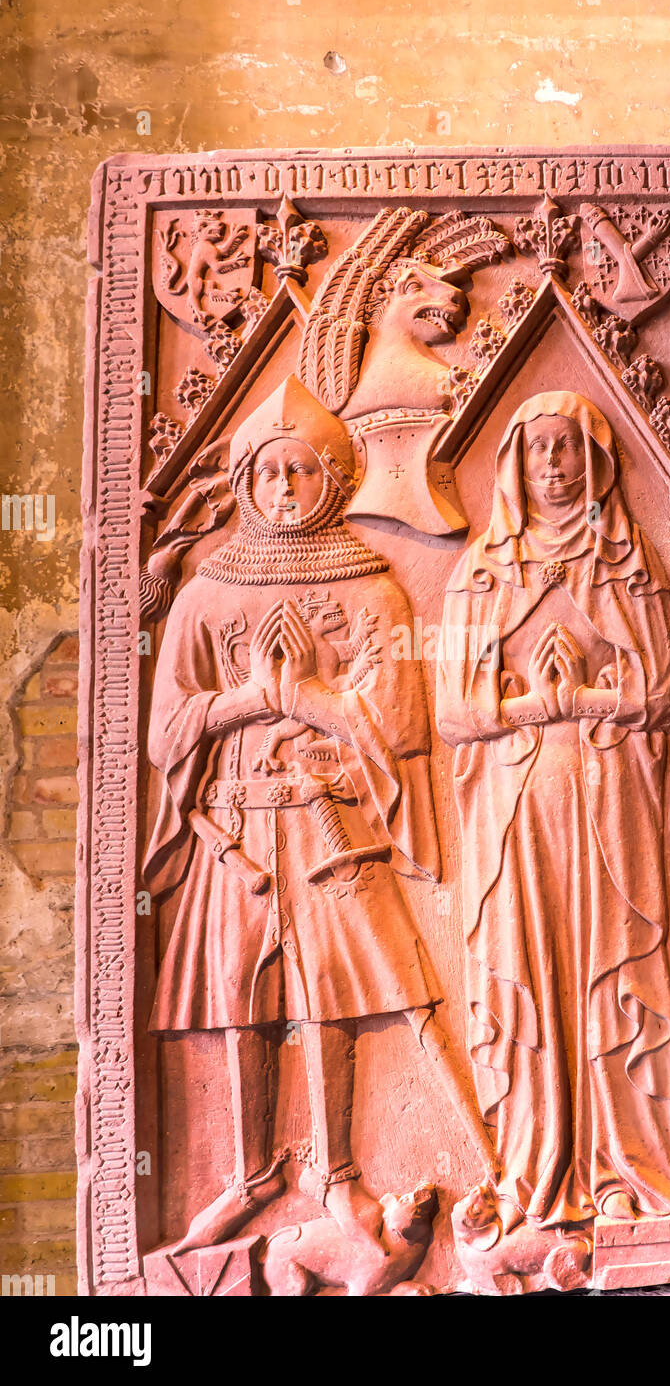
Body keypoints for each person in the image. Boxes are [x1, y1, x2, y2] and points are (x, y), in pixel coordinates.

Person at [144, 375, 493, 1257]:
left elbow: (403, 723)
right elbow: (164, 733)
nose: (284, 490)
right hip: (234, 834)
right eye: (268, 475)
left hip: (326, 826)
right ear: (244, 483)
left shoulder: (370, 587)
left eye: (302, 473)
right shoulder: (206, 590)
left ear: (335, 480)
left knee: (330, 999)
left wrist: (304, 698)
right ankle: (251, 1172)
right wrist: (250, 698)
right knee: (241, 999)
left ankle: (338, 1174)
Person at [436, 390, 670, 1231]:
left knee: (608, 974)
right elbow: (452, 715)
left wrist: (586, 692)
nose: (552, 465)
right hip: (513, 815)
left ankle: (621, 1162)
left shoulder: (626, 562)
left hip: (606, 806)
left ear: (595, 460)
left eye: (567, 449)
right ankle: (535, 1166)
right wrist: (527, 708)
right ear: (513, 462)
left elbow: (660, 692)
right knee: (528, 981)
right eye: (538, 450)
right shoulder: (483, 569)